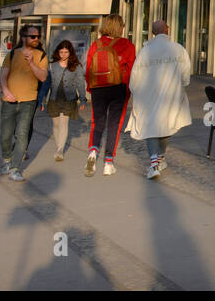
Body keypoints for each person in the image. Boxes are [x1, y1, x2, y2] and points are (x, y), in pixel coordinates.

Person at [128, 20, 193, 179]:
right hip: (171, 94)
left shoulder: (146, 52)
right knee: (168, 123)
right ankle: (159, 158)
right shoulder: (178, 49)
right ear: (167, 30)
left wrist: (135, 92)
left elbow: (135, 76)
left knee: (150, 126)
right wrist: (181, 86)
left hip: (148, 95)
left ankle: (155, 162)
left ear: (153, 32)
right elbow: (186, 73)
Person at [84, 14, 137, 177]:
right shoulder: (127, 45)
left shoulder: (96, 44)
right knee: (115, 123)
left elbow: (88, 69)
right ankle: (108, 162)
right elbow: (132, 70)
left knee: (97, 121)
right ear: (120, 26)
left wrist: (91, 88)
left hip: (99, 87)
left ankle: (93, 151)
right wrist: (128, 90)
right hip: (118, 88)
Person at [0, 26, 48, 181]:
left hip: (29, 101)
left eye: (37, 36)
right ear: (23, 37)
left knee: (22, 134)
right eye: (33, 36)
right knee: (6, 135)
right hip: (9, 100)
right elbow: (3, 76)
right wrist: (6, 90)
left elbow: (43, 78)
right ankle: (7, 160)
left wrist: (32, 63)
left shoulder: (41, 56)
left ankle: (15, 168)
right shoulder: (12, 54)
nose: (36, 39)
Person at [45, 40, 86, 161]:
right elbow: (47, 83)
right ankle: (59, 145)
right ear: (58, 52)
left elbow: (80, 83)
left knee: (64, 123)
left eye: (66, 52)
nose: (63, 54)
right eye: (61, 52)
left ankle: (60, 150)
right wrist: (42, 99)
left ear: (70, 52)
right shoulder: (52, 65)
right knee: (56, 124)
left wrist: (83, 99)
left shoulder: (76, 66)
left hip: (69, 99)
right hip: (54, 98)